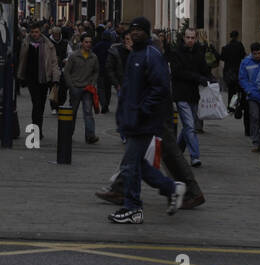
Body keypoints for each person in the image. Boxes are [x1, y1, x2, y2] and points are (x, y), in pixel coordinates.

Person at [107, 16, 185, 224]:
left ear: (147, 32)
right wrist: (123, 114)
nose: (135, 33)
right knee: (137, 164)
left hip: (144, 121)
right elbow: (130, 88)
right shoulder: (135, 55)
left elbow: (160, 88)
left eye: (140, 30)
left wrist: (142, 111)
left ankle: (132, 207)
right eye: (132, 30)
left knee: (130, 165)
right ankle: (172, 187)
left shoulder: (152, 55)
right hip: (132, 120)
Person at [170, 28, 212, 166]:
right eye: (188, 37)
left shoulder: (198, 54)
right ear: (184, 38)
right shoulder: (176, 53)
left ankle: (177, 151)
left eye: (193, 38)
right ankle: (195, 156)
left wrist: (210, 80)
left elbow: (204, 70)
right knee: (189, 125)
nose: (190, 40)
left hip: (193, 95)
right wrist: (197, 77)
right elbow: (178, 72)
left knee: (189, 125)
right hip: (181, 94)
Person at [16, 23, 60, 139]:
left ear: (40, 32)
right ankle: (37, 131)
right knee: (36, 103)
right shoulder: (26, 43)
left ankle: (39, 128)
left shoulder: (48, 44)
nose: (34, 34)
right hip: (31, 78)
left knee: (41, 105)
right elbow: (21, 59)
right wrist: (20, 75)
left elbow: (54, 62)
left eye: (36, 32)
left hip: (44, 78)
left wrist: (55, 79)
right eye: (32, 32)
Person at [62, 33, 100, 143]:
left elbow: (96, 72)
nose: (88, 44)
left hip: (87, 89)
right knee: (72, 112)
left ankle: (90, 135)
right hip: (76, 88)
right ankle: (68, 134)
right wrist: (71, 86)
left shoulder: (94, 57)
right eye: (86, 42)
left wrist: (92, 83)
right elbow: (67, 72)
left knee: (88, 113)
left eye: (90, 42)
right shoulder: (74, 56)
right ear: (82, 43)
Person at [237, 42, 260, 149]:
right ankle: (256, 141)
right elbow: (243, 78)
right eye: (255, 54)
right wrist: (249, 90)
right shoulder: (246, 62)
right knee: (254, 117)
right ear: (252, 53)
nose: (257, 56)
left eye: (259, 53)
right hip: (253, 95)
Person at [220, 31, 246, 102]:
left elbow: (222, 58)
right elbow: (243, 55)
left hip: (228, 71)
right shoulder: (240, 45)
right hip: (237, 70)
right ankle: (236, 105)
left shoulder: (226, 47)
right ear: (237, 36)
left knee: (231, 90)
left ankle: (231, 106)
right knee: (237, 90)